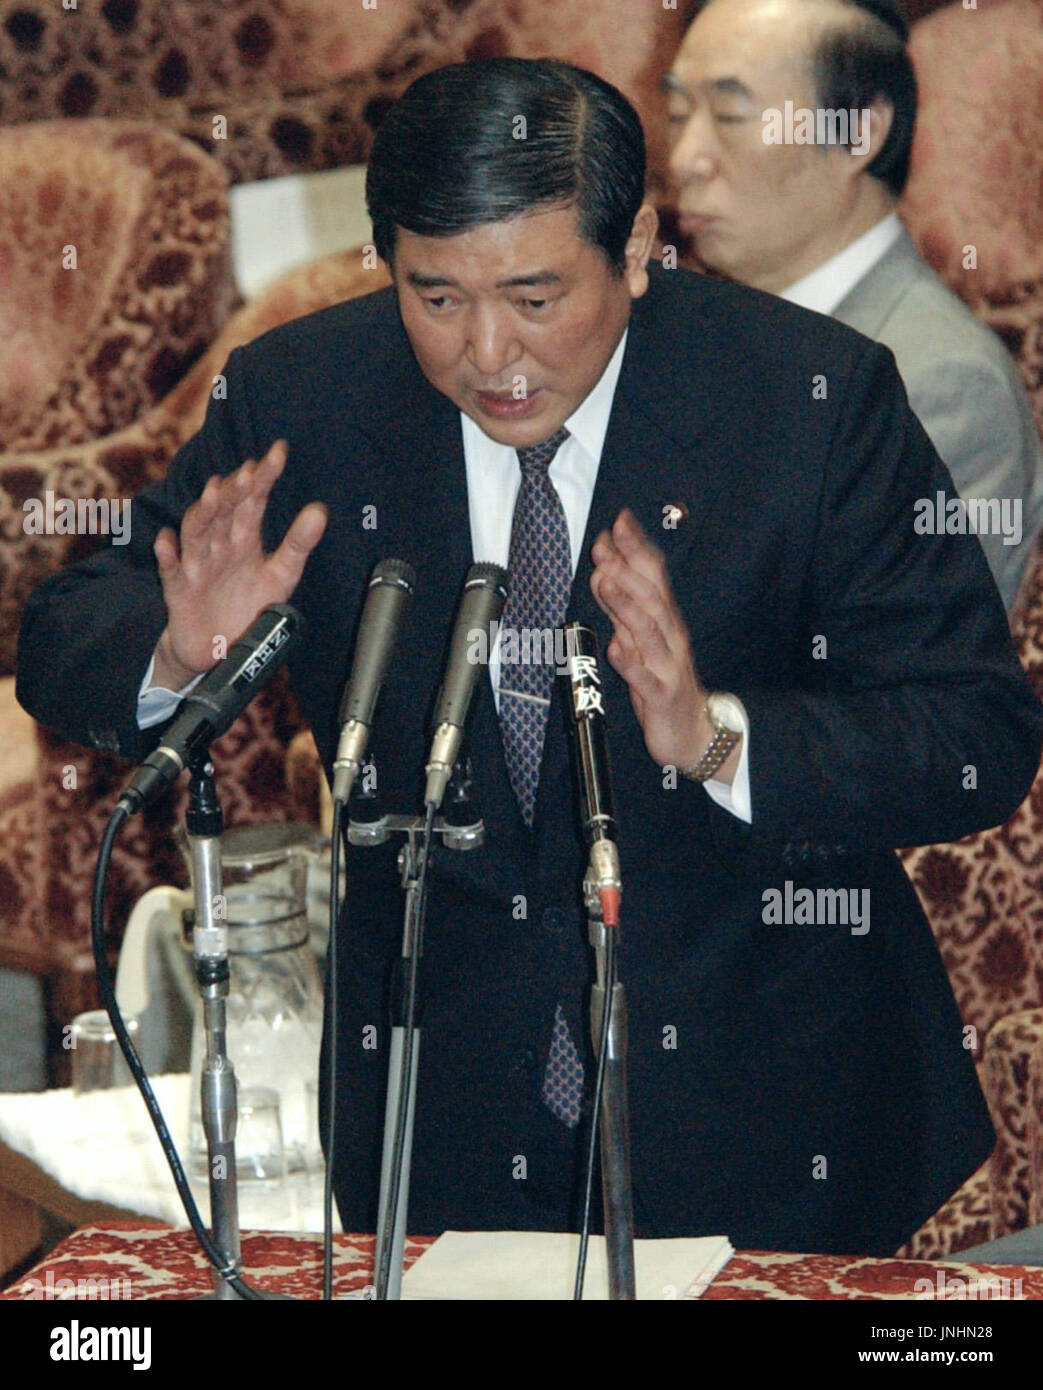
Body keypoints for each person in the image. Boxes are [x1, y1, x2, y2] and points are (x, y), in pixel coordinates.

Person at [17, 58, 1043, 1257]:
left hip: (763, 1110)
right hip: (437, 1115)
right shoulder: (309, 394)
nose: (488, 354)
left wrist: (714, 735)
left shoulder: (807, 401)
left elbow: (972, 739)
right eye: (435, 295)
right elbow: (63, 631)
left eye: (534, 293)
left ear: (639, 243)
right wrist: (178, 641)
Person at [665, 0, 1043, 611]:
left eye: (730, 114)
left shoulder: (939, 384)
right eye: (679, 112)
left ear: (857, 132)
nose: (684, 160)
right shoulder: (683, 332)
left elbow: (902, 681)